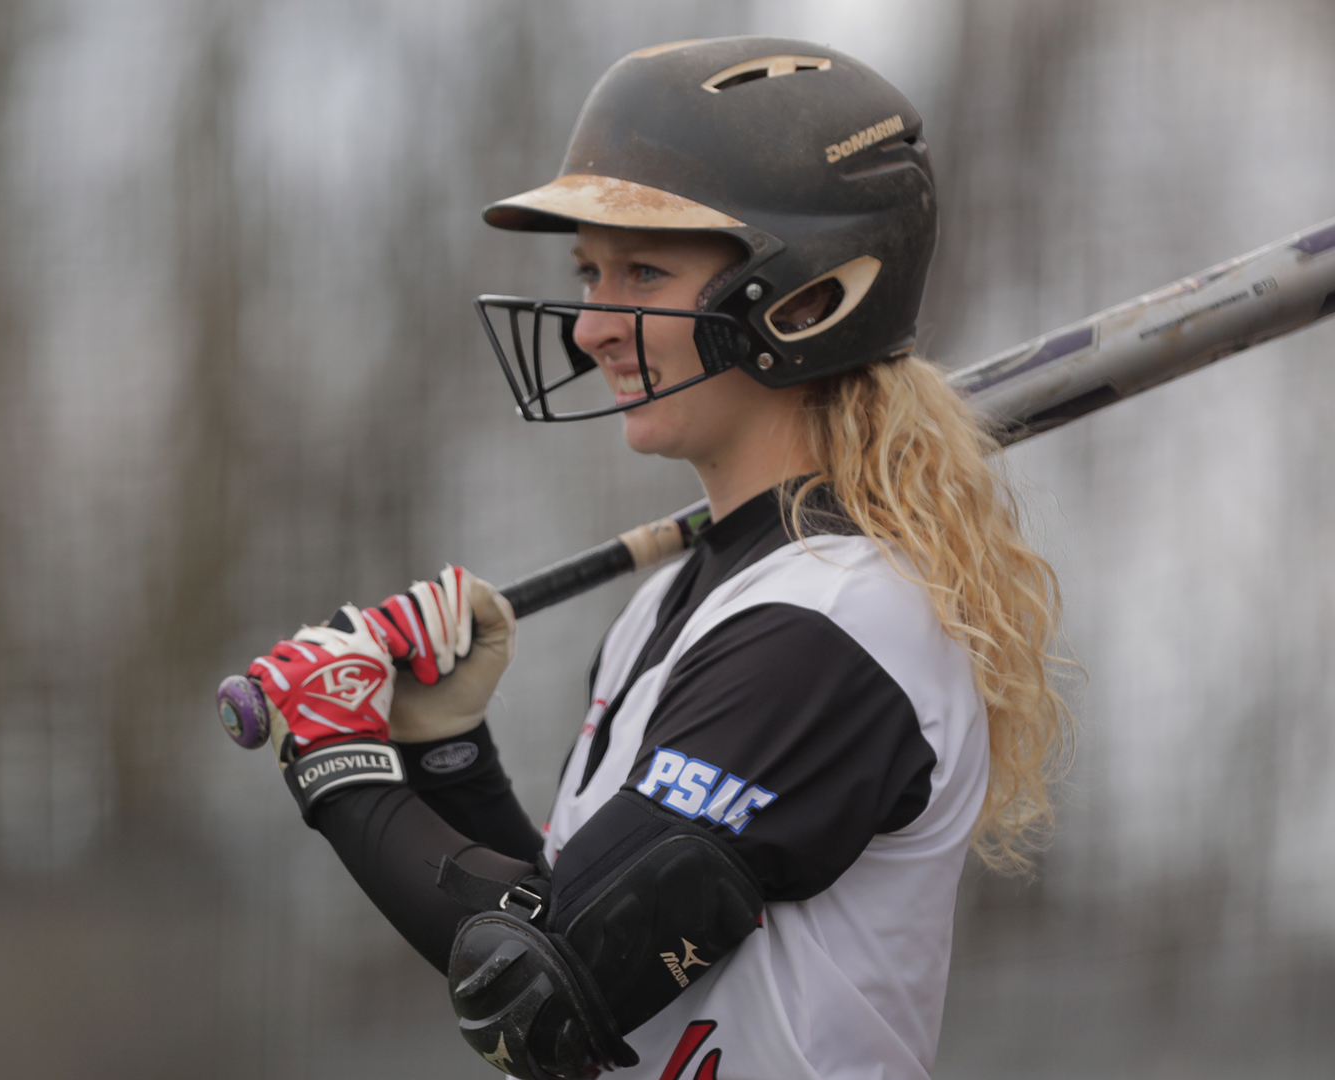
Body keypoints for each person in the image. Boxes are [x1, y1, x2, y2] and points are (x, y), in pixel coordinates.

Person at [247, 36, 1069, 1080]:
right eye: (588, 271)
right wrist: (449, 754)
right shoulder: (683, 606)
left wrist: (340, 769)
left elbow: (548, 982)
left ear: (807, 300)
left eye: (641, 270)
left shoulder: (838, 623)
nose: (591, 325)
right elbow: (573, 911)